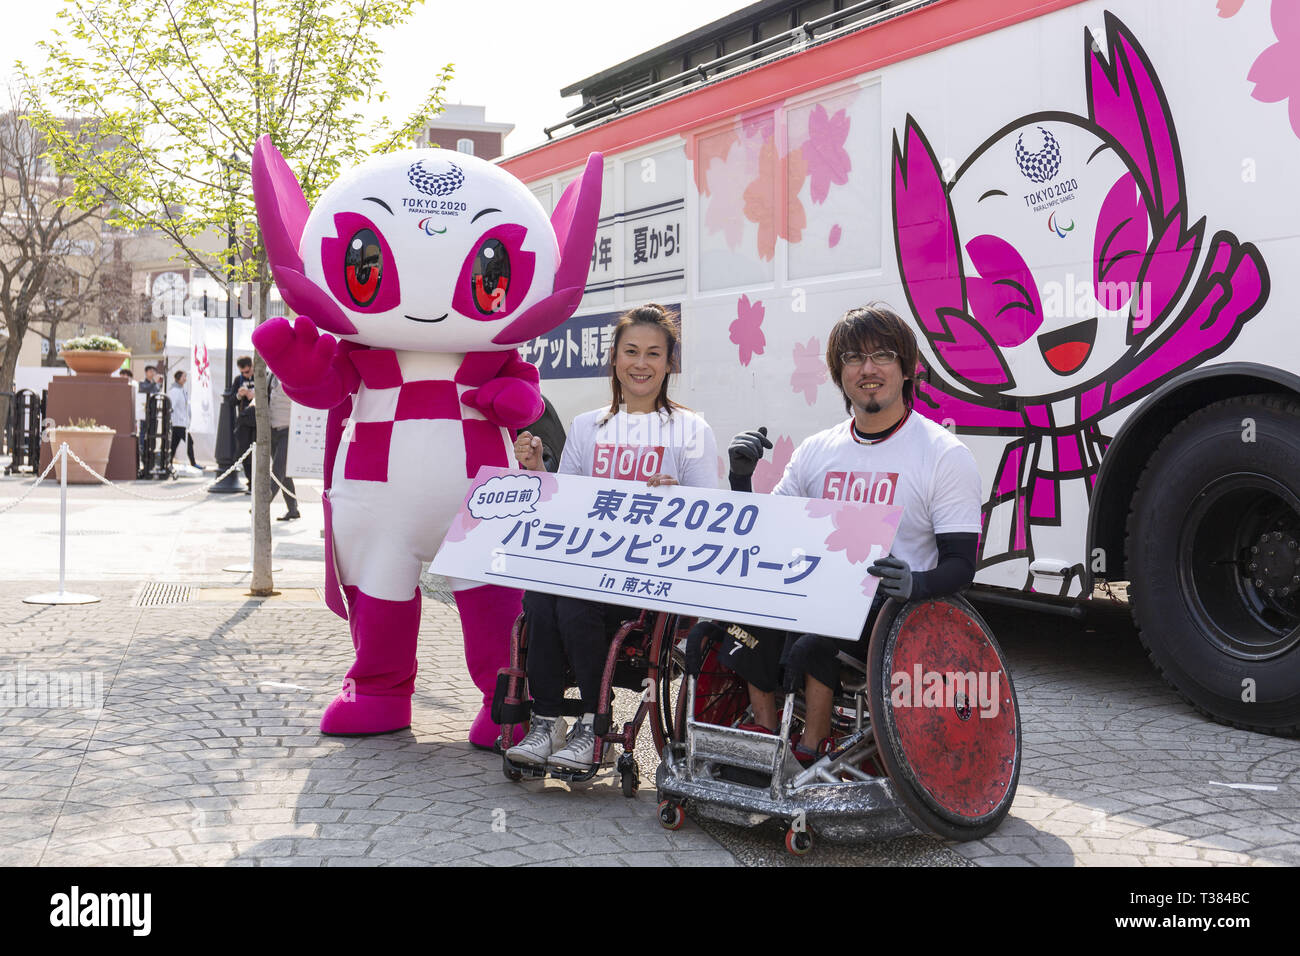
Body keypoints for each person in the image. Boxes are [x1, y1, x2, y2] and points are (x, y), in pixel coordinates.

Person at [723, 304, 982, 764]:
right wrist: (742, 481)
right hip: (817, 592)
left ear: (907, 368)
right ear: (838, 373)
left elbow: (963, 566)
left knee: (815, 636)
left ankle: (811, 746)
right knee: (739, 616)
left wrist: (917, 583)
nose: (867, 369)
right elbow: (768, 534)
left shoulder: (943, 455)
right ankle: (762, 738)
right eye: (852, 358)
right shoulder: (816, 451)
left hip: (897, 613)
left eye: (882, 355)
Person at [506, 303, 718, 773]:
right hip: (587, 563)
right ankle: (545, 721)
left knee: (573, 600)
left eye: (654, 354)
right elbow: (565, 501)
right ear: (615, 359)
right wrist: (538, 468)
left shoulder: (690, 430)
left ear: (670, 363)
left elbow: (714, 516)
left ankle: (588, 722)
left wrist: (679, 498)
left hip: (648, 577)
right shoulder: (588, 426)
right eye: (631, 352)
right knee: (540, 597)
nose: (641, 364)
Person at [265, 372, 300, 520]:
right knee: (284, 473)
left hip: (289, 429)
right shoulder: (270, 376)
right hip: (273, 429)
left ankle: (263, 504)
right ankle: (293, 509)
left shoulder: (294, 376)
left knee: (278, 470)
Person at [230, 356, 256, 490]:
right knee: (244, 451)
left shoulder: (262, 377)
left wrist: (255, 396)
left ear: (252, 366)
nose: (245, 375)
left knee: (256, 453)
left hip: (258, 421)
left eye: (247, 372)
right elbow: (231, 401)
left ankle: (256, 482)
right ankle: (250, 481)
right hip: (244, 420)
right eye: (243, 372)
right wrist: (239, 395)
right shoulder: (238, 380)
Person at [168, 370, 199, 469]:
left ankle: (168, 463)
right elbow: (171, 406)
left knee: (174, 444)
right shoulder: (175, 391)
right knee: (189, 442)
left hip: (182, 422)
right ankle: (193, 463)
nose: (185, 379)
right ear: (178, 378)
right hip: (178, 422)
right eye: (183, 377)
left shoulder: (182, 390)